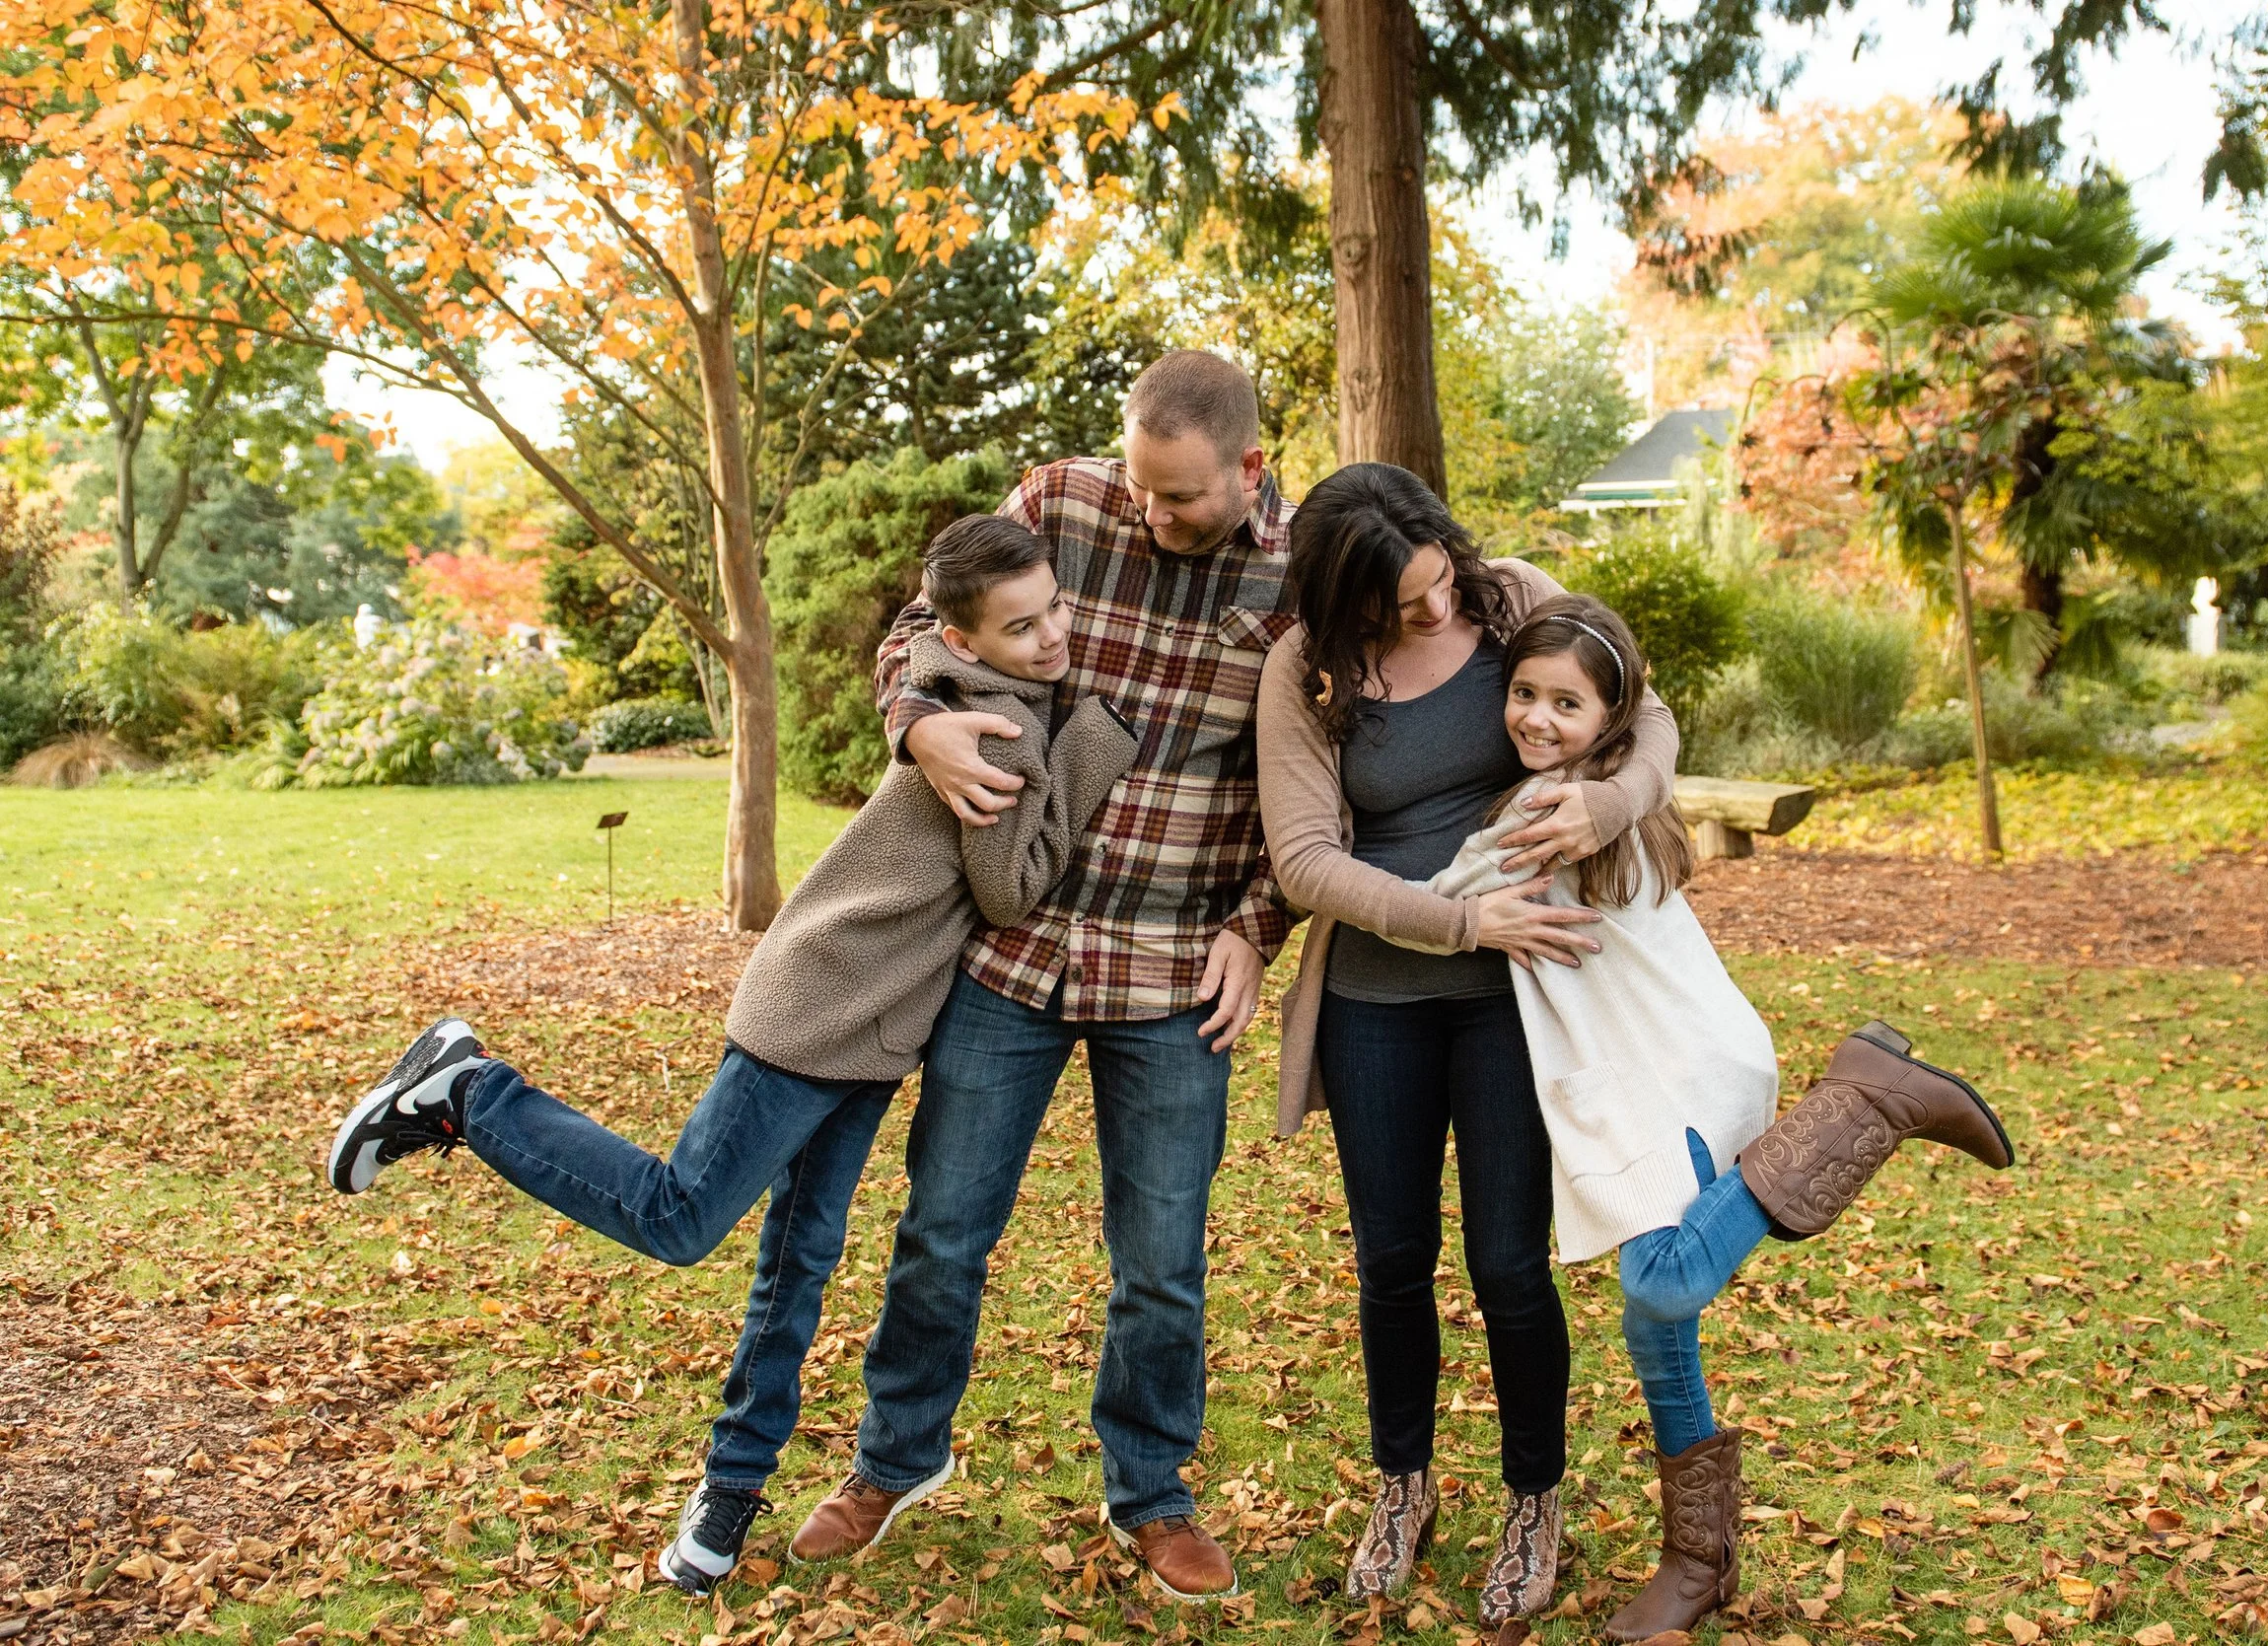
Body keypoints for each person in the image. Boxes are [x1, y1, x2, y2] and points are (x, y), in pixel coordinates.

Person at [320, 517, 1140, 1596]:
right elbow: (1009, 889)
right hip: (819, 1009)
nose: (1052, 637)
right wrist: (1093, 748)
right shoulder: (1002, 728)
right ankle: (469, 1091)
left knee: (797, 1263)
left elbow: (948, 755)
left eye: (1055, 609)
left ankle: (730, 1488)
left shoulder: (959, 692)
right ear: (963, 638)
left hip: (867, 1029)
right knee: (679, 1216)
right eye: (1022, 626)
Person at [1389, 593, 2017, 1642]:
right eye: (1524, 694)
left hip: (1669, 1075)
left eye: (1567, 703)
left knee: (1663, 1282)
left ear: (1613, 716)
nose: (1536, 717)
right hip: (1656, 1071)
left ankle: (1861, 1102)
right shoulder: (1615, 796)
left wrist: (1355, 877)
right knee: (1657, 1322)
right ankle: (1696, 1562)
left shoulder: (1550, 811)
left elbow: (1436, 904)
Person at [786, 350, 1293, 1602]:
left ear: (1250, 467)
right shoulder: (1061, 502)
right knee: (943, 1231)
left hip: (1174, 967)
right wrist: (918, 721)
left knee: (1160, 1260)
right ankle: (894, 1458)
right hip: (1009, 949)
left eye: (1181, 496)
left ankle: (1152, 1490)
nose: (1151, 513)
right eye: (1141, 486)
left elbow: (1312, 777)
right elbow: (921, 630)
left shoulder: (1299, 577)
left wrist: (1258, 922)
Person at [1253, 463, 1688, 1629]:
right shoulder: (1304, 670)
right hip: (1377, 1003)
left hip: (1517, 1000)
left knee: (1507, 1264)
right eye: (1404, 604)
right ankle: (1402, 1485)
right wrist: (1458, 921)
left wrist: (1612, 802)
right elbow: (1303, 861)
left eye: (1439, 579)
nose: (1437, 609)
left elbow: (1646, 714)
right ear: (1345, 598)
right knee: (1392, 1261)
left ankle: (1533, 1500)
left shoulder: (1511, 597)